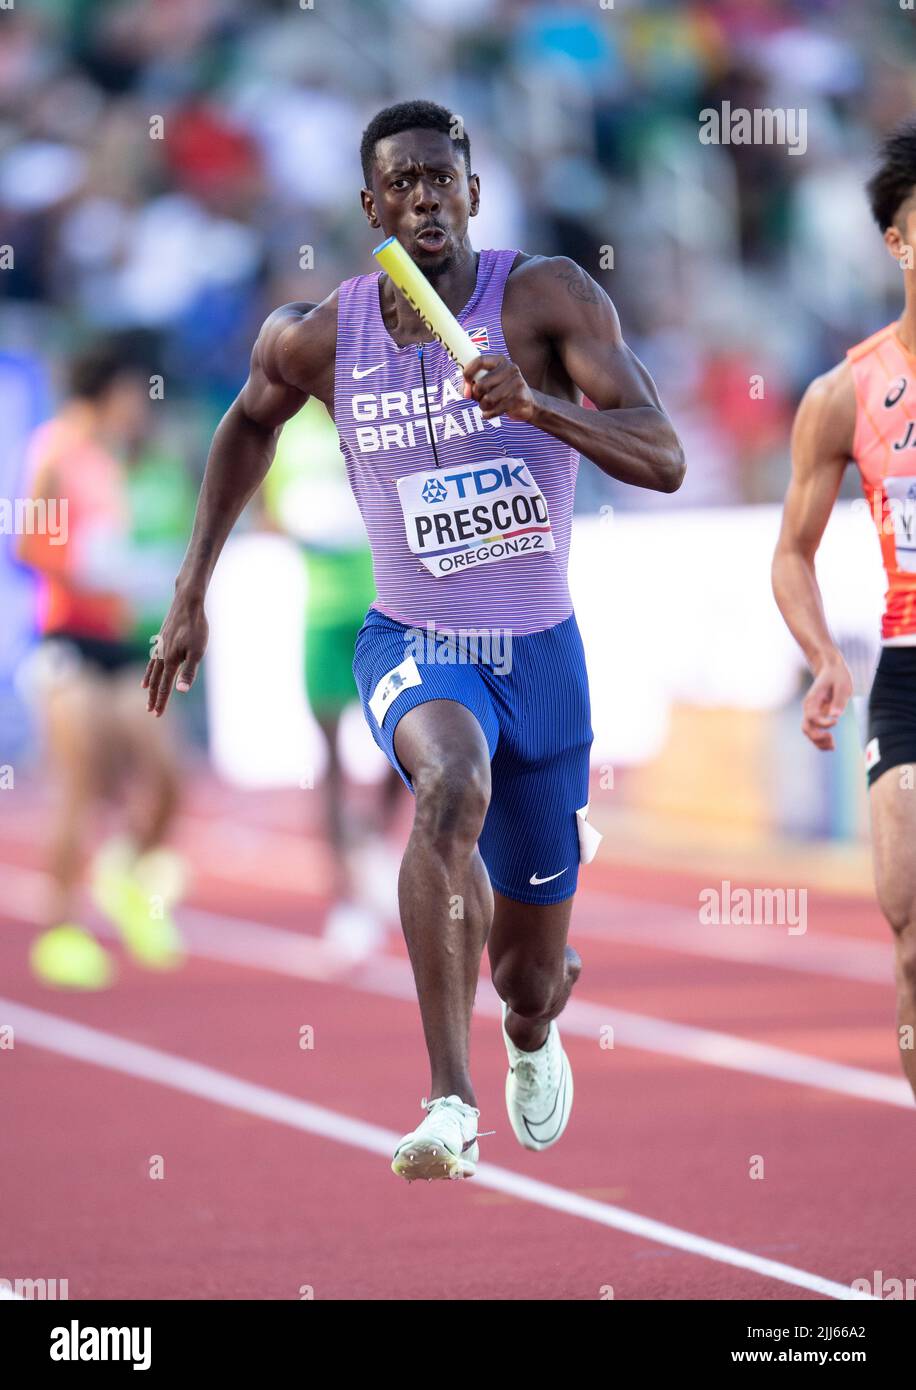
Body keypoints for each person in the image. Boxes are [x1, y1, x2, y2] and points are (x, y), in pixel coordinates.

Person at [145, 100, 685, 1179]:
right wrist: (191, 588)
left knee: (525, 975)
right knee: (445, 782)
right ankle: (449, 1099)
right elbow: (247, 422)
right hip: (412, 636)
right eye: (403, 181)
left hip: (540, 658)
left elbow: (662, 455)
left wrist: (536, 407)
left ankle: (530, 1030)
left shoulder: (545, 297)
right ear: (371, 205)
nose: (426, 196)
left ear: (474, 194)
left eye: (444, 177)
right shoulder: (316, 335)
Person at [773, 117, 916, 1101]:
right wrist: (823, 652)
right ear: (897, 240)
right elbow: (791, 551)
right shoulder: (844, 392)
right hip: (906, 666)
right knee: (907, 920)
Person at [19, 341, 185, 989]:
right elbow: (30, 542)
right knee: (80, 783)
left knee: (168, 776)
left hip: (126, 642)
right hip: (70, 641)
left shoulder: (135, 458)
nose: (140, 410)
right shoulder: (57, 448)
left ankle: (126, 869)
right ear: (107, 390)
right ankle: (62, 928)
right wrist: (85, 566)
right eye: (132, 395)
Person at [260, 391, 404, 956]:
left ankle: (375, 841)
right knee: (330, 757)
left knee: (409, 746)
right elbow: (271, 515)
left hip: (386, 608)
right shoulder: (292, 438)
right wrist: (303, 525)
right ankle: (345, 897)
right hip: (322, 614)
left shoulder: (378, 420)